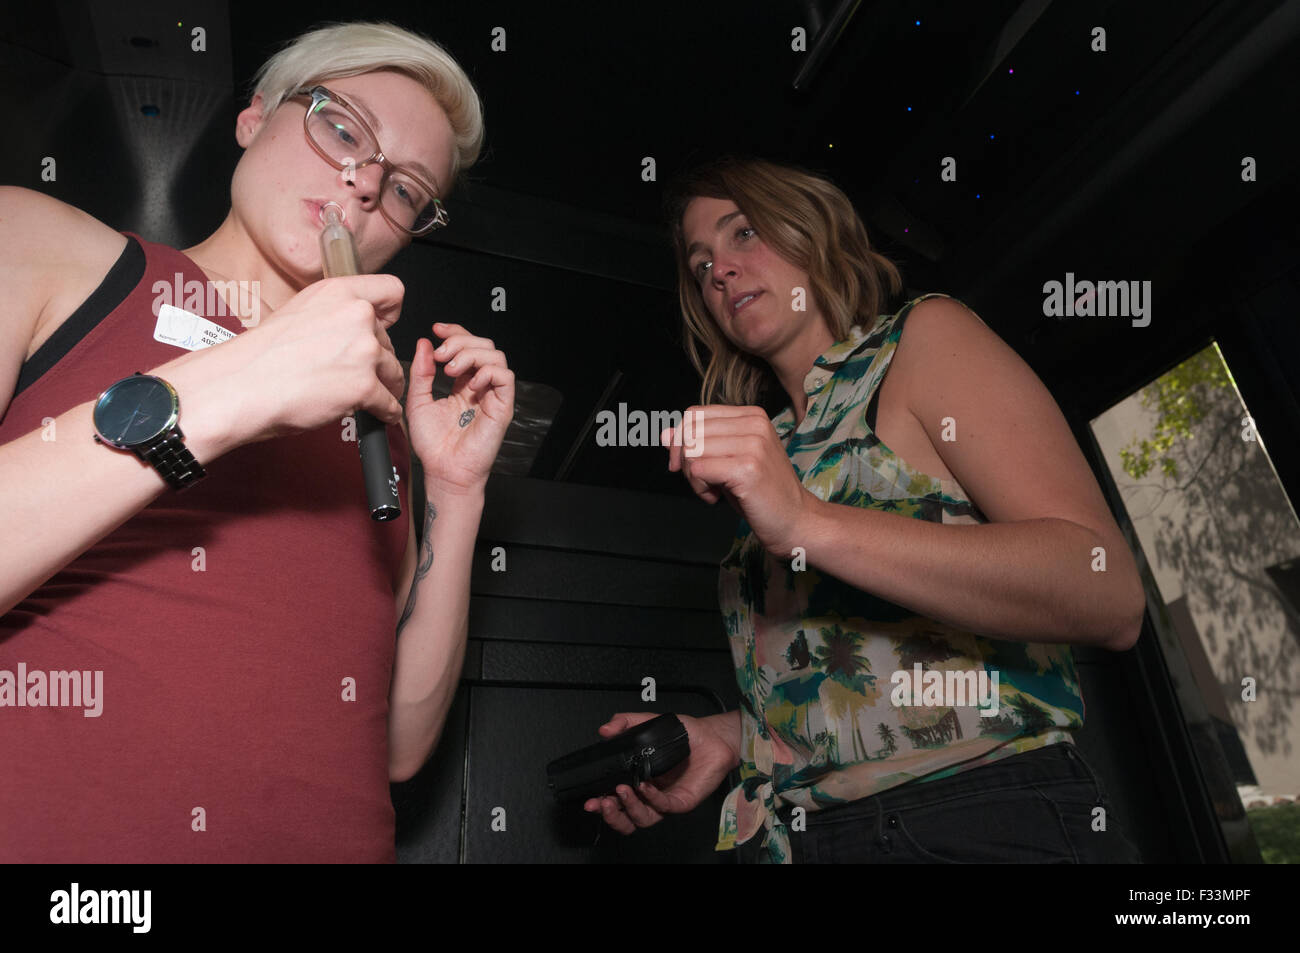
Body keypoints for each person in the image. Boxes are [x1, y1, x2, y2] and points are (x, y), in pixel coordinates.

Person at [0, 22, 514, 862]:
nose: (360, 181)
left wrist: (457, 494)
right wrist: (246, 378)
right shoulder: (44, 250)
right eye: (342, 127)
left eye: (406, 191)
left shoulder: (379, 423)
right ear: (253, 118)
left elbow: (399, 744)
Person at [586, 156, 1145, 864]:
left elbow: (1108, 592)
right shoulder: (774, 446)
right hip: (814, 836)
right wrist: (730, 737)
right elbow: (857, 675)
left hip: (977, 815)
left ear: (812, 231)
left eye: (745, 234)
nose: (720, 271)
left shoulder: (921, 342)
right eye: (700, 265)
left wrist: (806, 522)